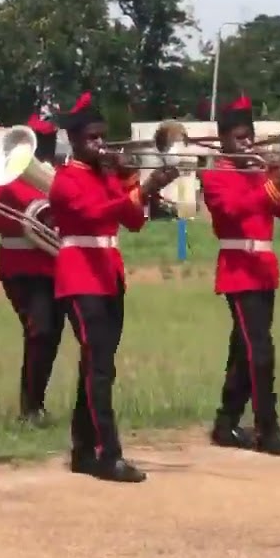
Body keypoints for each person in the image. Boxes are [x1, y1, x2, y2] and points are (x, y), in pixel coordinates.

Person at [49, 92, 178, 483]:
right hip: (80, 276)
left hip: (108, 274)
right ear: (73, 140)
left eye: (103, 137)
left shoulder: (105, 176)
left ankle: (84, 449)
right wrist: (138, 190)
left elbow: (134, 222)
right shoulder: (65, 180)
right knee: (99, 366)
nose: (101, 144)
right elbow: (94, 215)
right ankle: (107, 453)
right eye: (92, 138)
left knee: (97, 366)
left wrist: (139, 185)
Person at [200, 95, 280, 455]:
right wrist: (270, 184)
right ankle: (267, 429)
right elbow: (232, 211)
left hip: (263, 270)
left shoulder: (260, 172)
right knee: (260, 350)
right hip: (238, 271)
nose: (247, 143)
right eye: (239, 137)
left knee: (243, 351)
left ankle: (225, 424)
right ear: (223, 140)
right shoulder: (216, 175)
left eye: (250, 136)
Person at [0, 113, 64, 425]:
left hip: (55, 264)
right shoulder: (5, 177)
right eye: (42, 145)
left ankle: (35, 403)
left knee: (51, 334)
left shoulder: (59, 176)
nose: (46, 151)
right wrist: (27, 218)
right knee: (40, 330)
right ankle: (30, 407)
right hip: (20, 265)